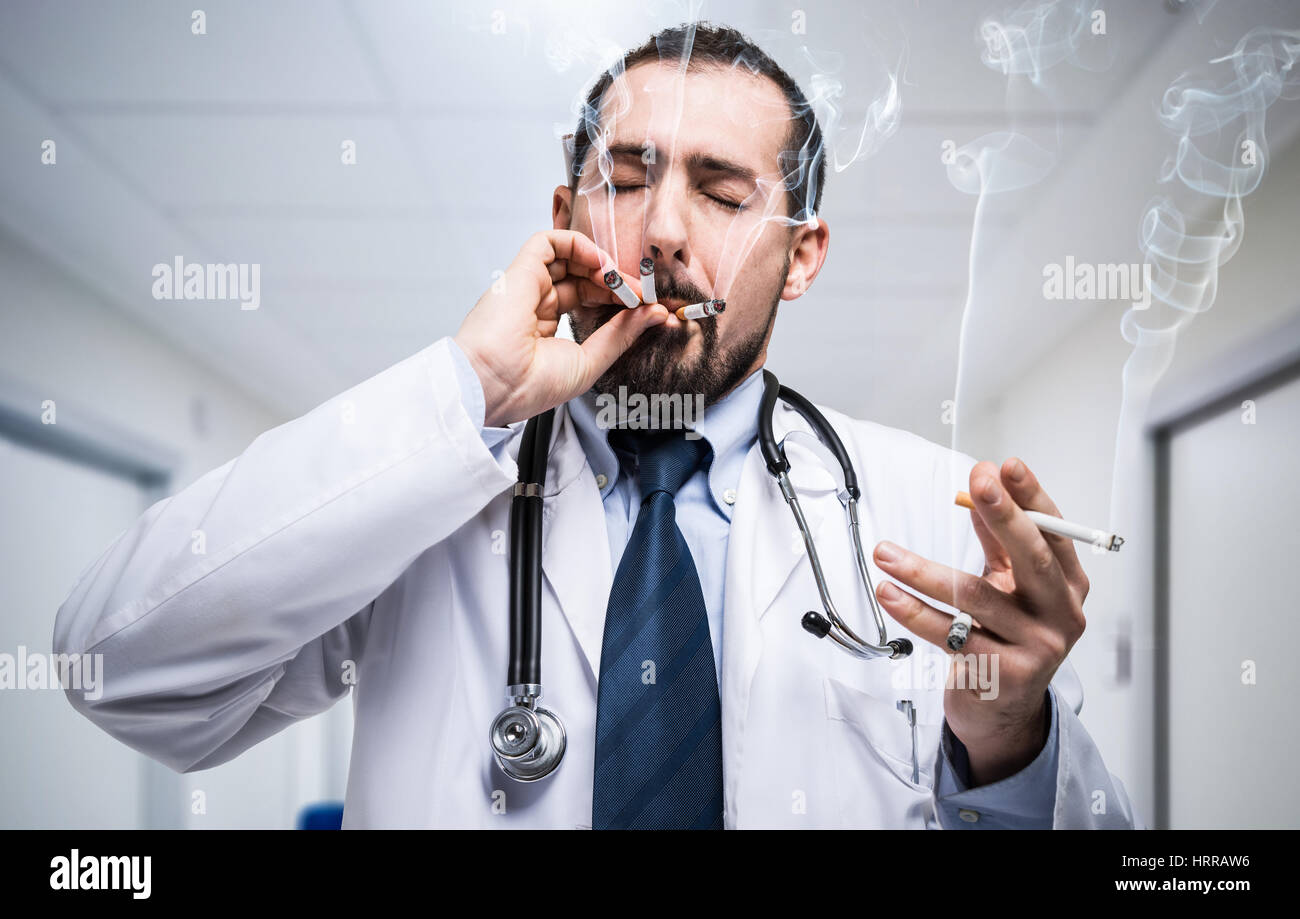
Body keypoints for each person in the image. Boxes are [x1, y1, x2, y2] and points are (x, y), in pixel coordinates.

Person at [53, 22, 1141, 829]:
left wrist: (1008, 745)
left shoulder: (938, 517)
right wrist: (462, 390)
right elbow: (117, 668)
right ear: (566, 218)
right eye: (624, 180)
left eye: (720, 192)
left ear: (800, 254)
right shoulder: (419, 484)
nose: (661, 227)